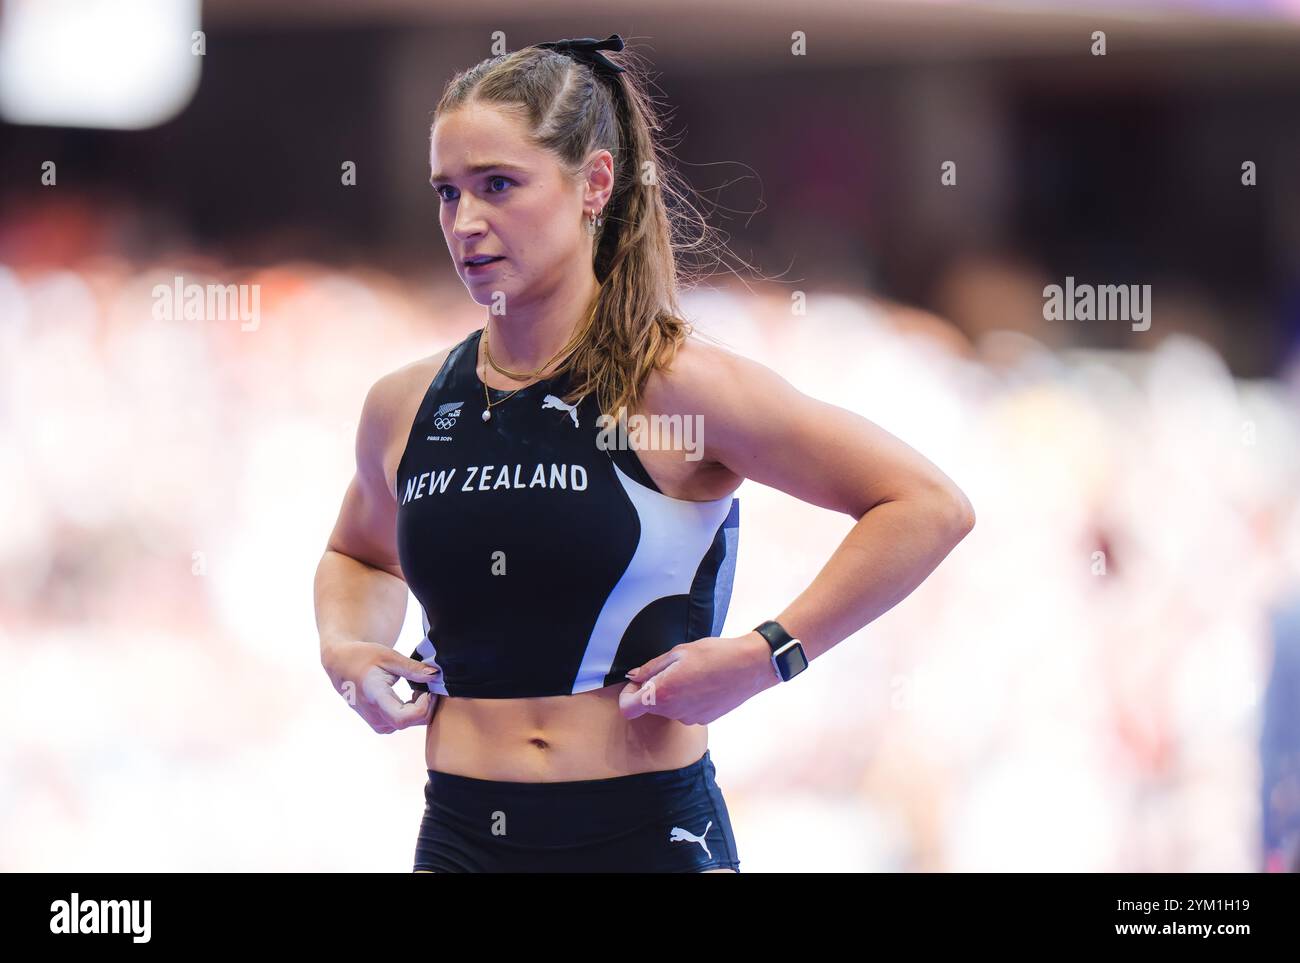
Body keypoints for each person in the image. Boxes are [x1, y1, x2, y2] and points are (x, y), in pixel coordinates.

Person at [313, 34, 975, 873]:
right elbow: (357, 554)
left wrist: (769, 653)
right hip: (465, 836)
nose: (465, 223)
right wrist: (346, 650)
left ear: (594, 183)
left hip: (644, 835)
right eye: (447, 193)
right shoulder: (406, 405)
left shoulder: (676, 389)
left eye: (498, 186)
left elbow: (925, 504)